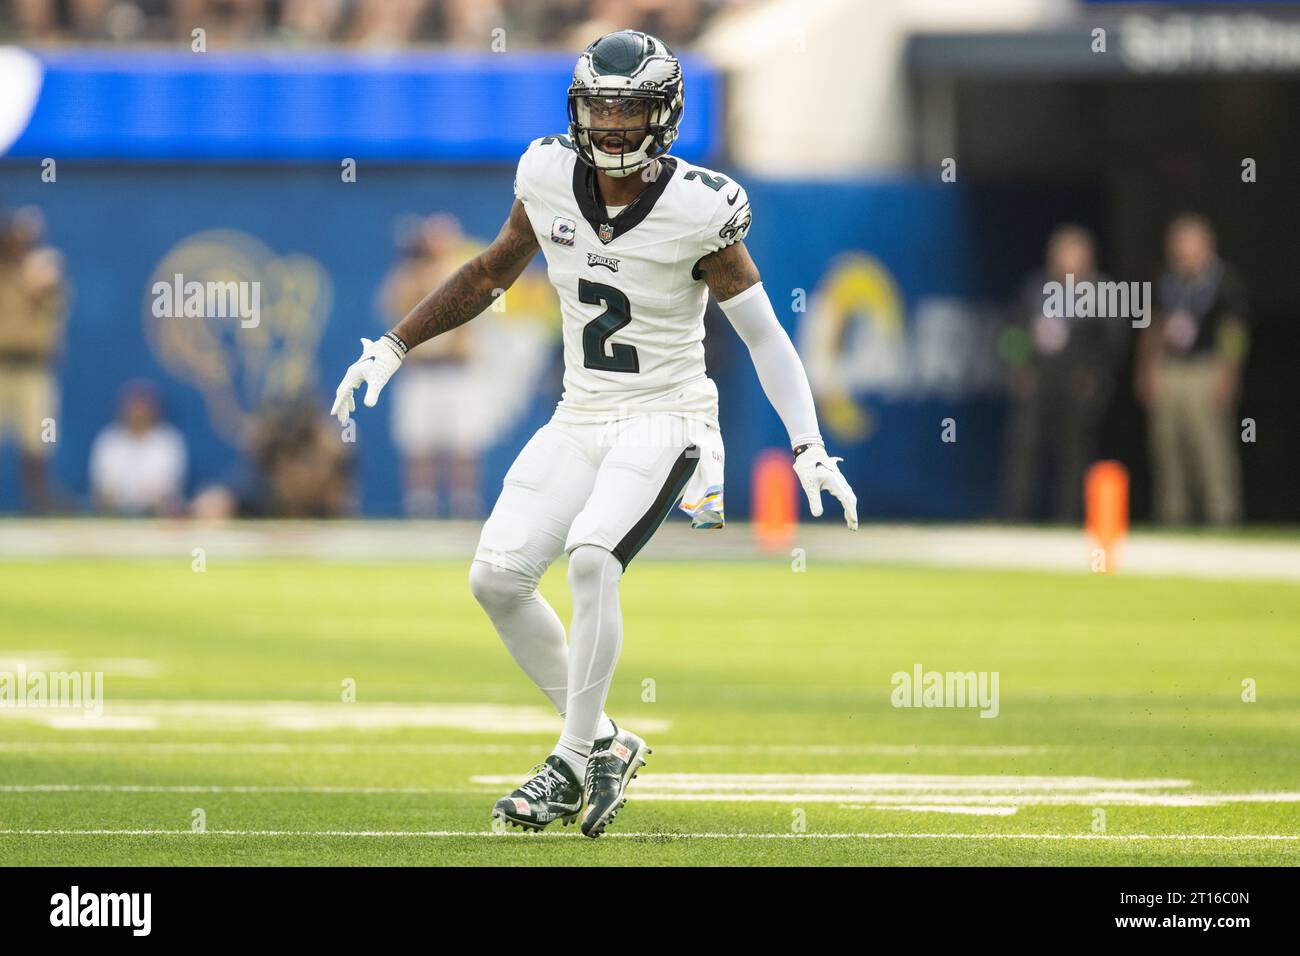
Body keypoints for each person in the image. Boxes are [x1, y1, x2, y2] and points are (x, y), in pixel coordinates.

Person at [331, 30, 857, 838]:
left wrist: (807, 444)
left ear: (665, 115)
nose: (612, 127)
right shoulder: (545, 174)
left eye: (630, 109)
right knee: (497, 580)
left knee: (590, 557)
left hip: (668, 415)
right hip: (580, 414)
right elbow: (487, 274)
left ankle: (569, 763)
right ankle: (608, 741)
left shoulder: (698, 208)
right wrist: (394, 345)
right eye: (600, 108)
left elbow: (763, 336)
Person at [1001, 225, 1124, 522]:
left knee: (1075, 454)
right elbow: (1012, 331)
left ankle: (1069, 518)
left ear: (1088, 257)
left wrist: (1094, 376)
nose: (1066, 258)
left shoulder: (1101, 291)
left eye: (1073, 251)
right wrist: (1017, 367)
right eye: (1061, 252)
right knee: (1024, 448)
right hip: (1039, 381)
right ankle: (1015, 516)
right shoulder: (1036, 286)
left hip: (1076, 385)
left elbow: (1114, 342)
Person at [1135, 214, 1249, 526]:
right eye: (1177, 246)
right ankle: (1172, 517)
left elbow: (1234, 331)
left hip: (1206, 369)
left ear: (1206, 245)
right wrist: (1147, 370)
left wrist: (1228, 374)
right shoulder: (1166, 281)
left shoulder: (1224, 281)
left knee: (1210, 446)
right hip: (1170, 370)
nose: (1181, 253)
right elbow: (1153, 328)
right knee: (1167, 447)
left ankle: (1221, 515)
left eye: (1188, 245)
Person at [0, 208, 66, 514]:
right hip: (2, 363)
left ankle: (36, 504)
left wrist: (27, 267)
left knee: (37, 439)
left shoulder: (44, 266)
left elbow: (42, 290)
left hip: (33, 366)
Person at [89, 381, 187, 516]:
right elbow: (103, 487)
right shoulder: (109, 440)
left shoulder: (168, 440)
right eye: (133, 407)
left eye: (142, 407)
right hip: (114, 515)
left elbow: (166, 488)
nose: (137, 413)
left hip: (157, 515)